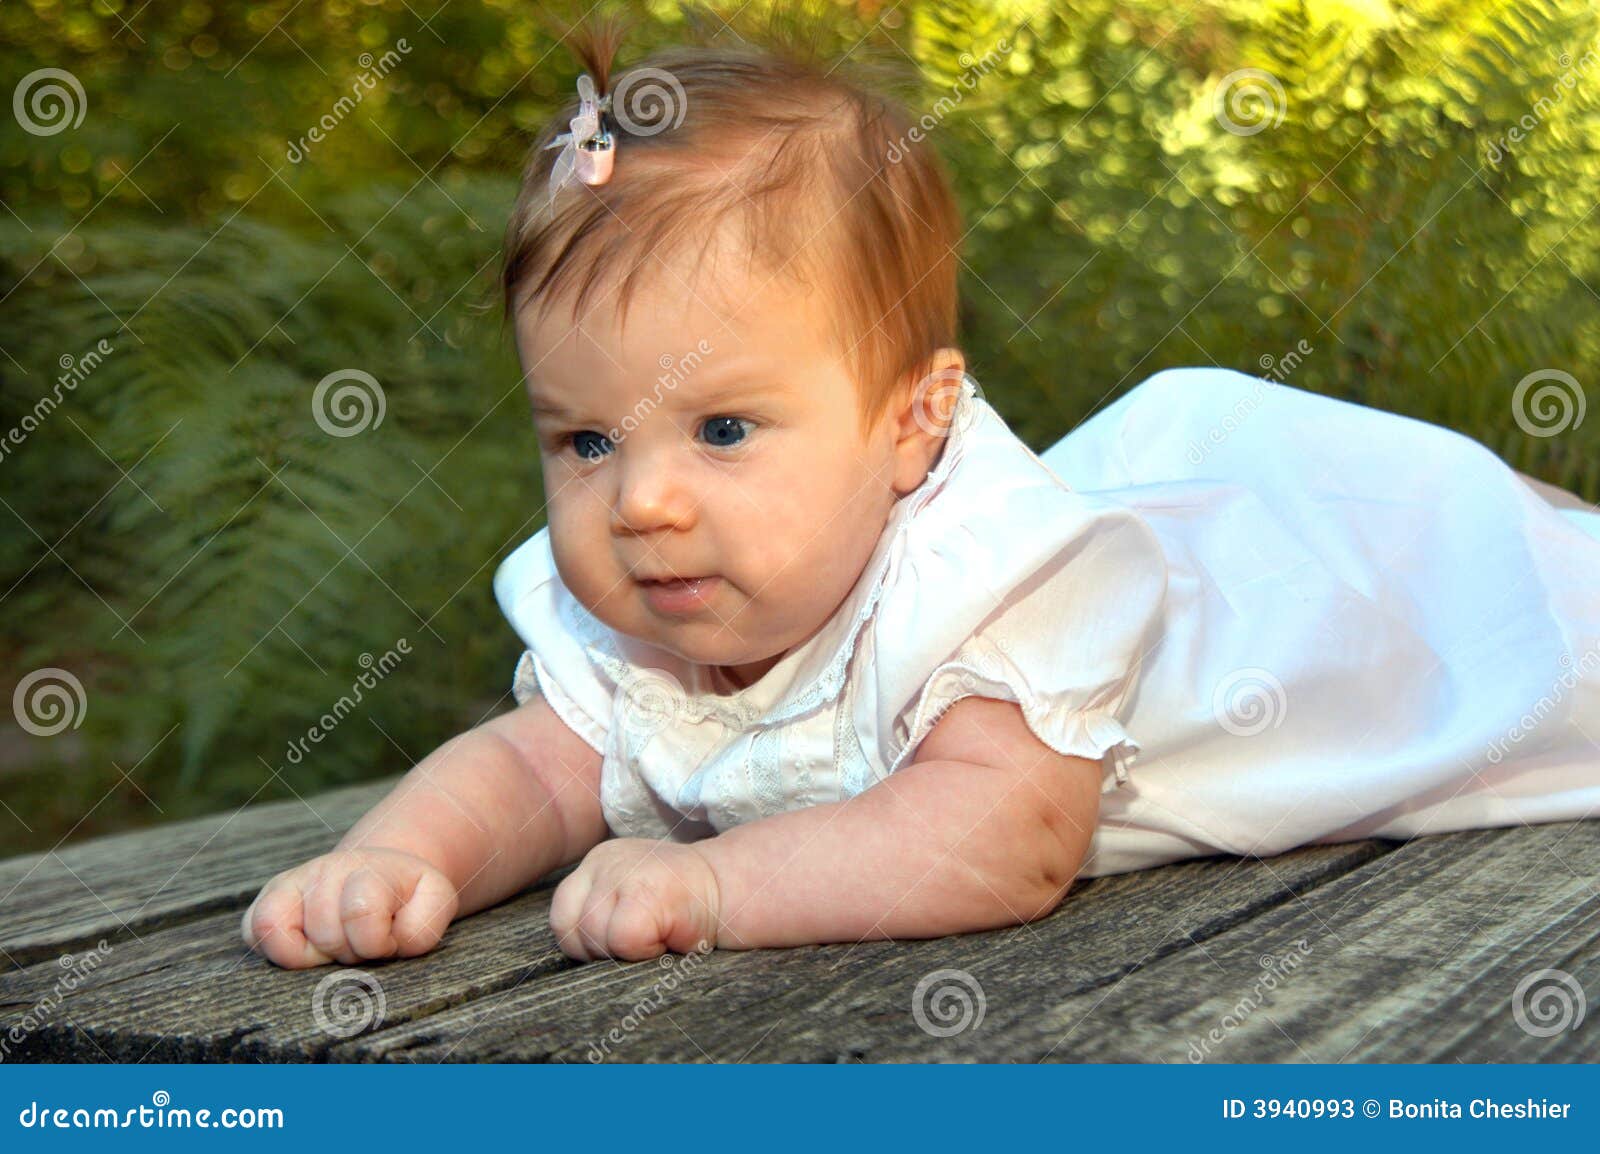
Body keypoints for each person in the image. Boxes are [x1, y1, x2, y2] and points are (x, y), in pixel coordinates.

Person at [241, 21, 1600, 969]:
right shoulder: (636, 631)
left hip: (1308, 615)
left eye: (722, 427)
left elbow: (1002, 839)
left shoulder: (986, 590)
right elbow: (531, 769)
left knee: (1511, 598)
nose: (643, 501)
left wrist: (717, 884)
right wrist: (397, 858)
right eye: (586, 441)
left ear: (913, 424)